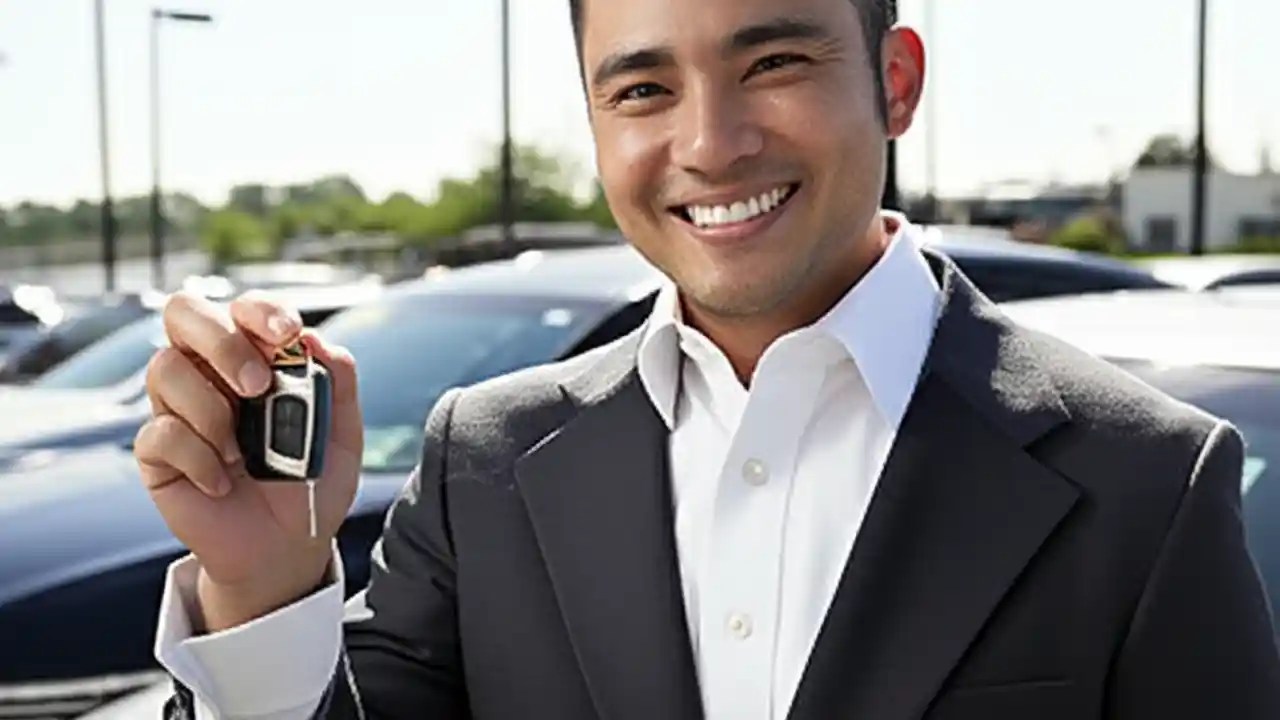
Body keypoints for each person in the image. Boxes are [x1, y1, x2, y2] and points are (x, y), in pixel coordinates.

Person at [139, 0, 1280, 718]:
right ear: (594, 123)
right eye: (642, 89)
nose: (707, 143)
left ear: (893, 82)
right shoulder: (482, 463)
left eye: (772, 59)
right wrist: (260, 586)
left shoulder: (1146, 482)